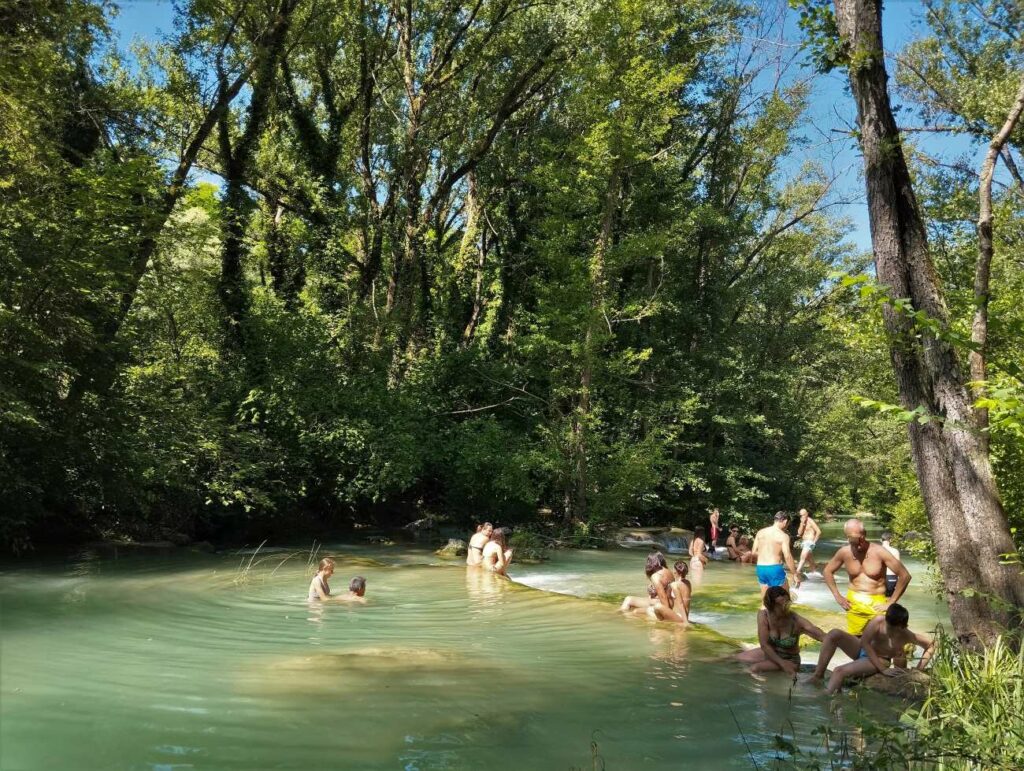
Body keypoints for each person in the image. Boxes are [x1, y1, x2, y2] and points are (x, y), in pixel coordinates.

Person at [810, 603, 934, 695]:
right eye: (888, 624)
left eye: (892, 627)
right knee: (833, 634)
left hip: (880, 659)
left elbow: (931, 645)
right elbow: (864, 642)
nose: (888, 628)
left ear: (902, 626)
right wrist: (883, 670)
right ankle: (818, 676)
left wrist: (919, 669)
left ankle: (824, 698)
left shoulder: (907, 635)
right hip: (862, 649)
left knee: (839, 671)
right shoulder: (879, 620)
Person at [822, 518, 911, 636]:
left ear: (865, 534)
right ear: (847, 537)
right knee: (856, 644)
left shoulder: (879, 552)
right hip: (853, 604)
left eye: (861, 538)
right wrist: (837, 596)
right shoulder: (844, 552)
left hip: (877, 604)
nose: (859, 543)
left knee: (882, 642)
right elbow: (827, 571)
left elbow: (905, 576)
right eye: (854, 540)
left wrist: (891, 601)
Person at [736, 586, 825, 676]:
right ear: (771, 605)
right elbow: (764, 645)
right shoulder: (764, 615)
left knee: (754, 668)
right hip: (771, 654)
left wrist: (834, 638)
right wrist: (782, 663)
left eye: (787, 603)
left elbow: (821, 636)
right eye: (781, 605)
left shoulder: (796, 620)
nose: (785, 608)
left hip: (790, 660)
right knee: (733, 659)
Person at [751, 512, 797, 596]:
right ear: (785, 521)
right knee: (784, 599)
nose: (787, 527)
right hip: (774, 568)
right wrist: (795, 574)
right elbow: (787, 556)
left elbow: (753, 553)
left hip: (760, 568)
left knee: (765, 601)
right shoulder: (783, 536)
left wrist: (765, 555)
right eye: (787, 524)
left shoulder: (760, 532)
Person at [794, 508, 821, 585]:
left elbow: (819, 531)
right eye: (801, 515)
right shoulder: (802, 521)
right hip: (804, 542)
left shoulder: (810, 521)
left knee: (802, 557)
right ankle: (814, 572)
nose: (802, 516)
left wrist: (814, 542)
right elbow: (799, 533)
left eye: (803, 515)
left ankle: (797, 572)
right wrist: (802, 523)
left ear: (807, 514)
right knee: (809, 559)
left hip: (810, 542)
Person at [880, 532, 901, 597]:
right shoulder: (895, 551)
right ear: (890, 540)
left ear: (881, 540)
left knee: (879, 597)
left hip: (879, 576)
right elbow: (898, 566)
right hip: (891, 577)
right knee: (890, 599)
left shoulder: (877, 550)